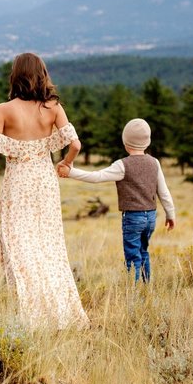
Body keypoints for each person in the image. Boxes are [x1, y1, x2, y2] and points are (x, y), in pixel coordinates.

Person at [0, 53, 88, 328]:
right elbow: (75, 145)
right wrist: (65, 164)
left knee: (19, 247)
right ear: (42, 74)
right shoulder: (53, 108)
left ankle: (33, 316)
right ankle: (63, 315)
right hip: (45, 181)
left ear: (15, 76)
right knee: (50, 247)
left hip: (18, 183)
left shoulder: (3, 110)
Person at [57, 118, 176, 283]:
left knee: (133, 256)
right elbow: (164, 192)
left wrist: (70, 172)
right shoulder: (154, 163)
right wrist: (171, 214)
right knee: (143, 251)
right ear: (147, 142)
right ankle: (146, 287)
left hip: (133, 218)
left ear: (125, 143)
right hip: (151, 217)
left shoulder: (122, 165)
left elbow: (97, 176)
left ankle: (132, 293)